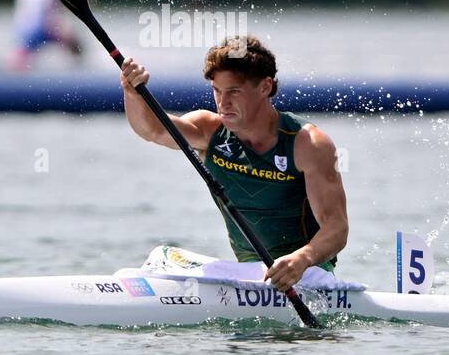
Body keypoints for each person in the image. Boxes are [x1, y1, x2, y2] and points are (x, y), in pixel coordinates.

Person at [119, 35, 349, 292]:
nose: (222, 102)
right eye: (217, 91)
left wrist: (302, 258)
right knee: (161, 257)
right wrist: (132, 91)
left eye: (234, 92)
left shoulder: (308, 143)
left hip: (307, 275)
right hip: (247, 272)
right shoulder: (209, 130)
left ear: (265, 87)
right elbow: (152, 130)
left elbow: (337, 228)